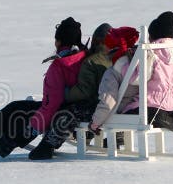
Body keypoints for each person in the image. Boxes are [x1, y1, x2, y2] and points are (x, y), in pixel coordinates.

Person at [0, 17, 88, 158]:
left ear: (59, 41)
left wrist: (32, 128)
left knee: (13, 115)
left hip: (59, 112)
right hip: (72, 108)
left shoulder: (60, 65)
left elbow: (52, 104)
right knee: (15, 109)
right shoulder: (84, 56)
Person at [89, 12, 173, 134]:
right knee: (169, 103)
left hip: (152, 103)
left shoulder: (151, 51)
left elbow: (138, 78)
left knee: (133, 110)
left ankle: (156, 117)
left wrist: (126, 66)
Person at [27, 22, 113, 159]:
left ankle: (48, 145)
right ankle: (110, 138)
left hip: (98, 107)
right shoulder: (117, 58)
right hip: (118, 105)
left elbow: (85, 90)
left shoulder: (92, 60)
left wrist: (65, 94)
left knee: (66, 114)